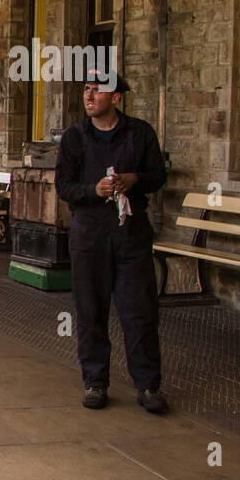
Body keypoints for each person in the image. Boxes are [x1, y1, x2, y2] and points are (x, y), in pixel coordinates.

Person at [55, 69, 168, 414]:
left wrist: (134, 179)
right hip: (89, 233)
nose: (89, 97)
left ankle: (148, 385)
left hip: (131, 233)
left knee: (139, 312)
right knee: (90, 311)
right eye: (86, 90)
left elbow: (158, 176)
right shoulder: (75, 138)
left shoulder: (141, 133)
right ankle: (95, 381)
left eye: (97, 92)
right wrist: (94, 190)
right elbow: (64, 186)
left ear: (116, 97)